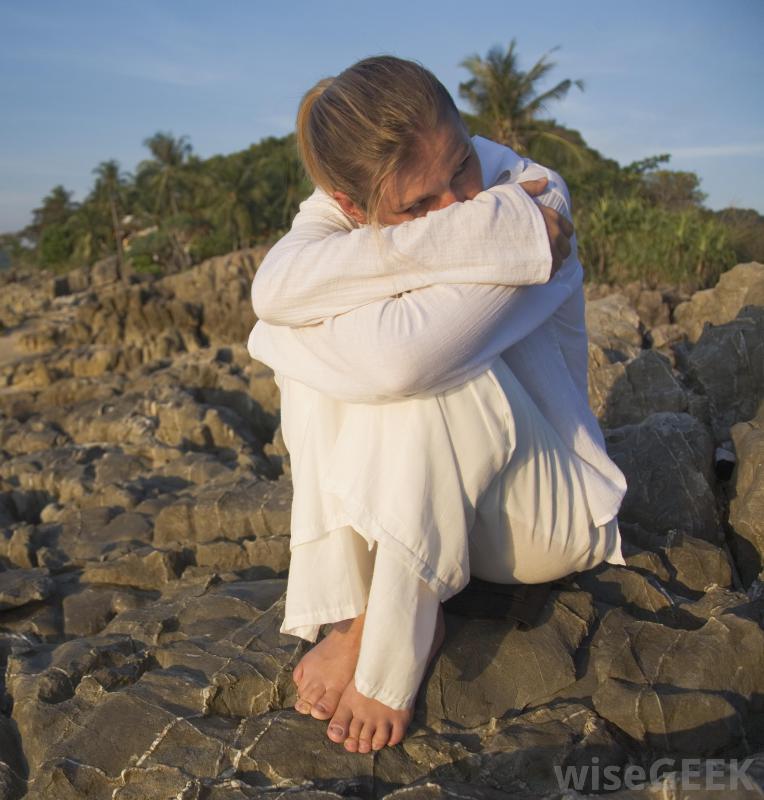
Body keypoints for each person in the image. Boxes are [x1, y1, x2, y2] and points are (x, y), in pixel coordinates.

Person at [247, 55, 627, 754]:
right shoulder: (510, 224)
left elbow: (401, 361)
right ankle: (360, 611)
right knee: (338, 359)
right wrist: (494, 235)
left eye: (460, 169)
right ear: (350, 208)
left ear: (464, 128)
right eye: (419, 207)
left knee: (418, 373)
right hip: (447, 505)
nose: (458, 206)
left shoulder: (536, 195)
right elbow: (271, 292)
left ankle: (389, 643)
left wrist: (284, 338)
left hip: (546, 516)